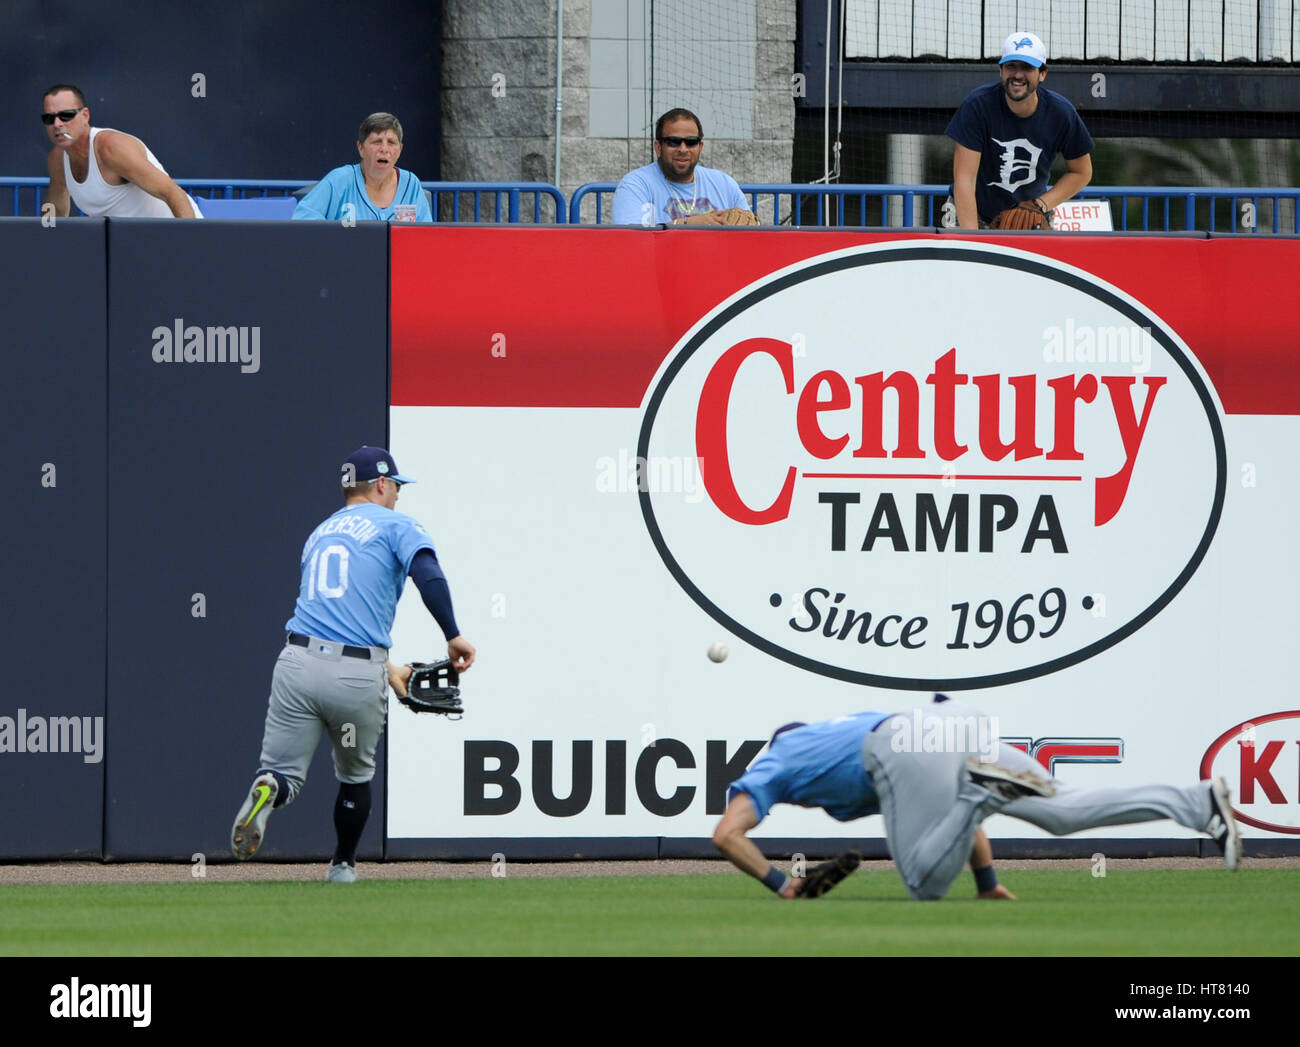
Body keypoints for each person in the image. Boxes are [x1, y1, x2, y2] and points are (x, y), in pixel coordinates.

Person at [713, 696, 1243, 901]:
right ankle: (1198, 803)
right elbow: (941, 802)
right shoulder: (836, 731)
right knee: (1063, 812)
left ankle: (978, 792)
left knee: (924, 884)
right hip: (948, 723)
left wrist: (782, 884)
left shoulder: (777, 762)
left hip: (901, 746)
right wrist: (986, 883)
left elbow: (726, 835)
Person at [231, 446, 475, 882]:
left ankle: (270, 789)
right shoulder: (396, 524)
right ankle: (342, 866)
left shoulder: (320, 533)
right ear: (380, 484)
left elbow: (335, 615)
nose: (398, 495)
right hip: (355, 676)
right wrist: (452, 633)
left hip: (297, 664)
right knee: (355, 777)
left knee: (283, 774)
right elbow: (429, 574)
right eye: (396, 486)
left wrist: (389, 668)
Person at [945, 32, 1094, 229]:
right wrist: (973, 239)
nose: (1017, 75)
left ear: (1042, 74)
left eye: (1027, 67)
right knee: (964, 248)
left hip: (1030, 215)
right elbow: (964, 180)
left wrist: (1039, 205)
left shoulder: (1061, 113)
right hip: (973, 212)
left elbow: (1082, 172)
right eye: (1011, 66)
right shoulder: (977, 106)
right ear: (1001, 70)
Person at [42, 83, 203, 218]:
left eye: (66, 115)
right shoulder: (57, 159)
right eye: (49, 118)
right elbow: (56, 213)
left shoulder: (111, 147)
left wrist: (188, 239)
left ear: (85, 115)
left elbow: (174, 193)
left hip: (172, 236)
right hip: (124, 242)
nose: (57, 124)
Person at [611, 108, 754, 227]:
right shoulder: (635, 185)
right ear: (658, 147)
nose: (683, 149)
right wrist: (688, 224)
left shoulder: (724, 184)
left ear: (700, 147)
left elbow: (751, 235)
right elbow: (631, 241)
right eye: (673, 142)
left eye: (691, 142)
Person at [292, 113, 432, 222]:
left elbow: (425, 235)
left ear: (400, 150)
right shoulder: (340, 179)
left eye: (391, 142)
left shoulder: (411, 184)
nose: (384, 149)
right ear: (361, 148)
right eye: (377, 142)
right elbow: (302, 218)